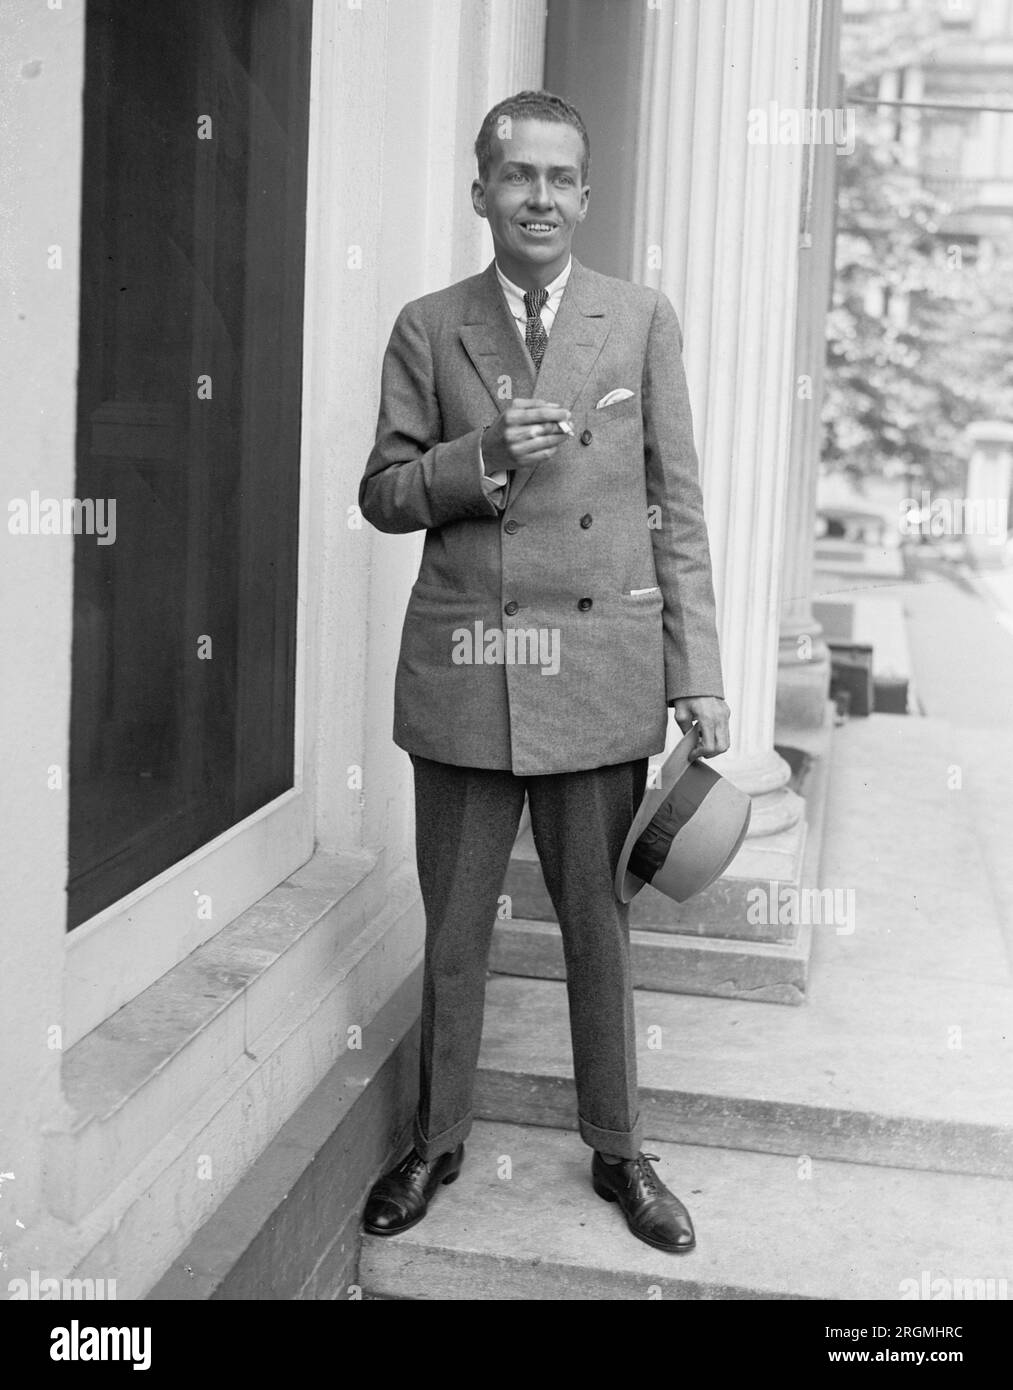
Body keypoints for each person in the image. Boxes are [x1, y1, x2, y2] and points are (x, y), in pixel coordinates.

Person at [358, 90, 730, 1254]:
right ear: (481, 192)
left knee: (597, 929)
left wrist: (697, 671)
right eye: (517, 176)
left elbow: (676, 506)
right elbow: (382, 494)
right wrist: (474, 461)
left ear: (584, 194)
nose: (540, 198)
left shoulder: (638, 319)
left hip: (599, 675)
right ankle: (435, 1139)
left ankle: (620, 1150)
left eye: (561, 178)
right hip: (468, 672)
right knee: (457, 924)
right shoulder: (430, 325)